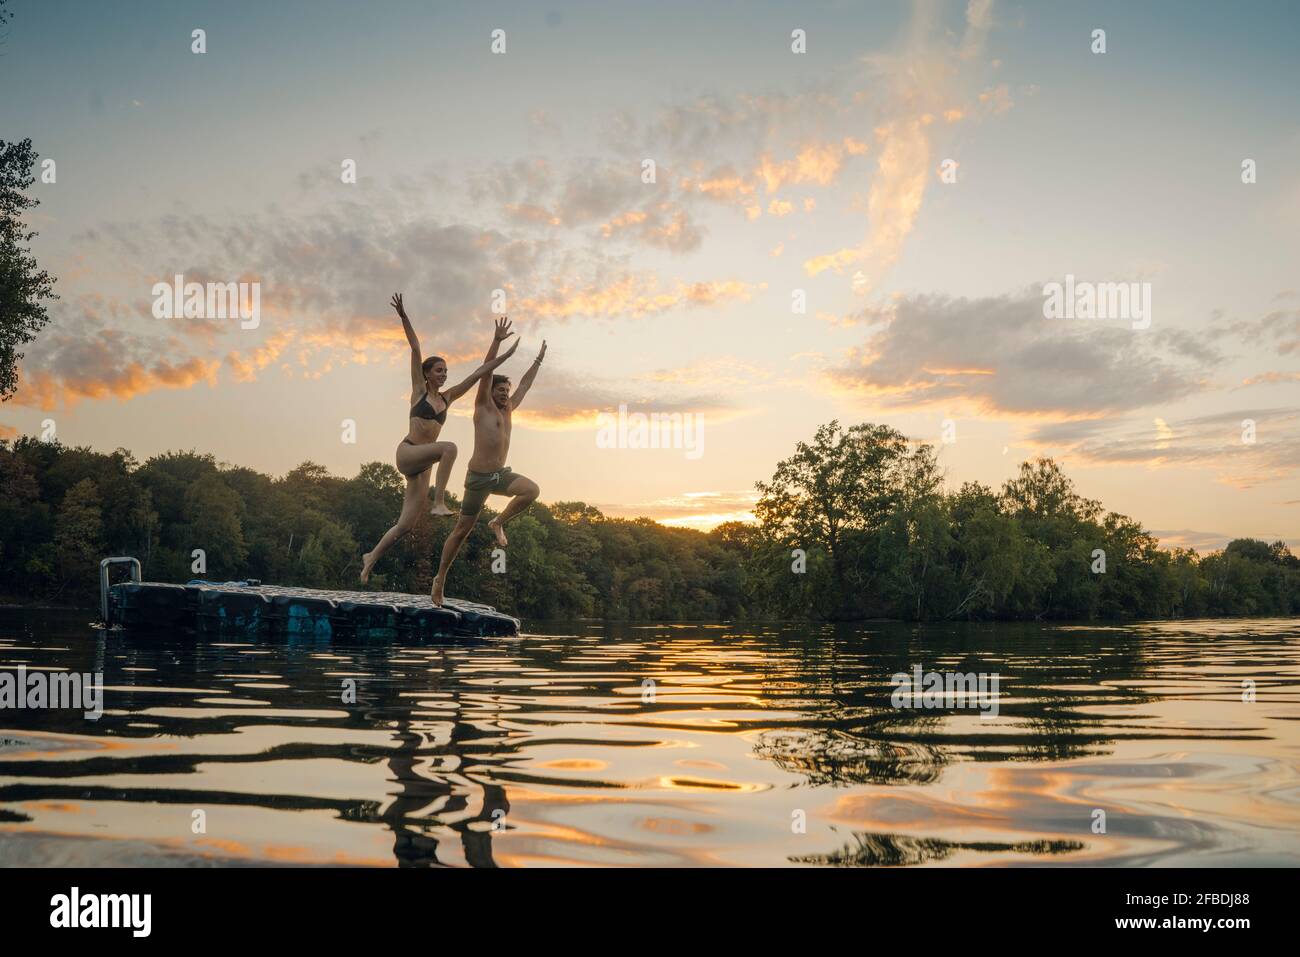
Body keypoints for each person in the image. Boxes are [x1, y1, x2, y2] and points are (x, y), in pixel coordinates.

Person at [360, 297, 517, 583]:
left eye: (446, 371)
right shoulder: (419, 390)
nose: (443, 375)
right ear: (427, 374)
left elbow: (480, 372)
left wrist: (501, 351)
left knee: (405, 525)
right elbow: (415, 347)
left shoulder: (448, 397)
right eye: (439, 370)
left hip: (424, 466)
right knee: (450, 448)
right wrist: (404, 316)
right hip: (408, 453)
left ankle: (370, 558)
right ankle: (439, 501)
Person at [430, 338, 547, 605]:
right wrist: (497, 343)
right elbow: (486, 370)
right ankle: (440, 580)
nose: (506, 393)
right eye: (501, 389)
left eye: (507, 390)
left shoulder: (509, 409)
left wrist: (538, 361)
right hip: (478, 480)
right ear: (491, 391)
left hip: (500, 476)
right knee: (461, 531)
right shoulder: (482, 405)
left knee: (531, 490)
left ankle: (498, 522)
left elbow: (526, 385)